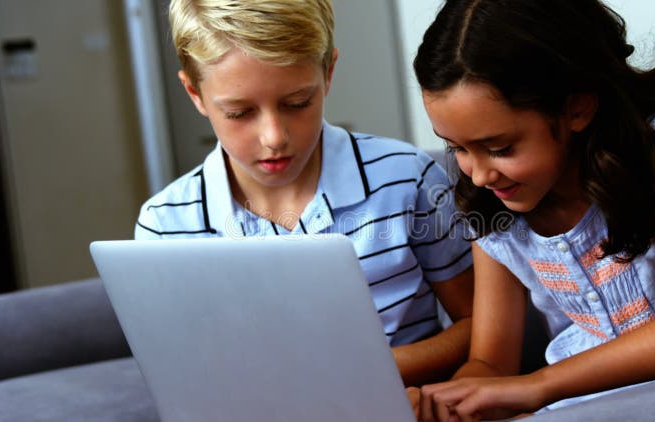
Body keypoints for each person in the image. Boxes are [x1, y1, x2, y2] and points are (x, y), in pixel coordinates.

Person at [411, 0, 655, 419]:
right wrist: (446, 402)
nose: (477, 175)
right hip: (596, 405)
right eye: (457, 148)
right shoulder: (493, 207)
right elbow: (491, 365)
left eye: (500, 149)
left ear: (577, 108)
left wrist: (540, 385)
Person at [135, 0, 475, 388]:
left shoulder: (406, 178)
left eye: (297, 104)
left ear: (328, 72)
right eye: (239, 113)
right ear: (194, 93)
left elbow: (478, 327)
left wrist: (359, 376)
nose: (274, 137)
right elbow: (183, 374)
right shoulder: (166, 225)